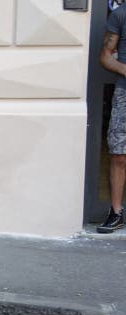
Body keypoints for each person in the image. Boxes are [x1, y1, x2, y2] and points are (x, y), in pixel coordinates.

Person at [99, 1, 126, 232]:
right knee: (119, 154)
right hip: (124, 93)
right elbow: (106, 56)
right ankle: (116, 212)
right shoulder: (120, 14)